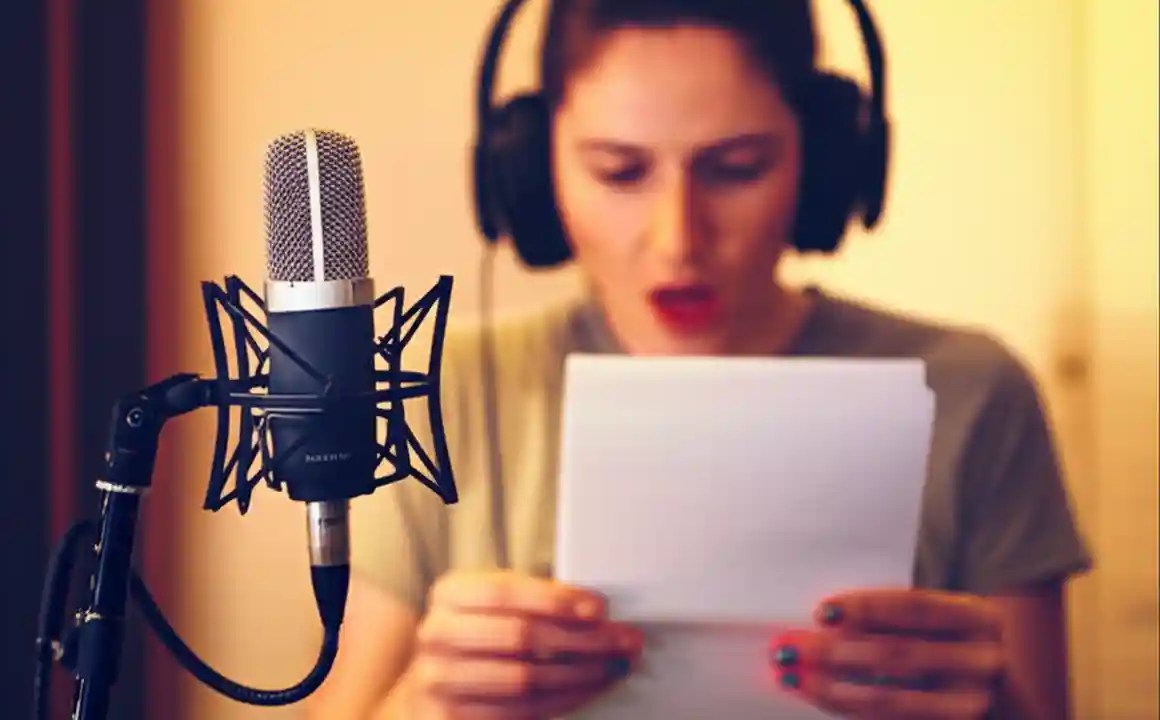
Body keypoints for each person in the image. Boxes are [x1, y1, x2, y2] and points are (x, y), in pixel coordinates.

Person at [304, 1, 1092, 717]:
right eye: (620, 172)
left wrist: (989, 708)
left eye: (736, 168)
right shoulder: (442, 389)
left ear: (822, 165)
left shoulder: (970, 392)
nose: (678, 238)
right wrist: (424, 705)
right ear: (532, 175)